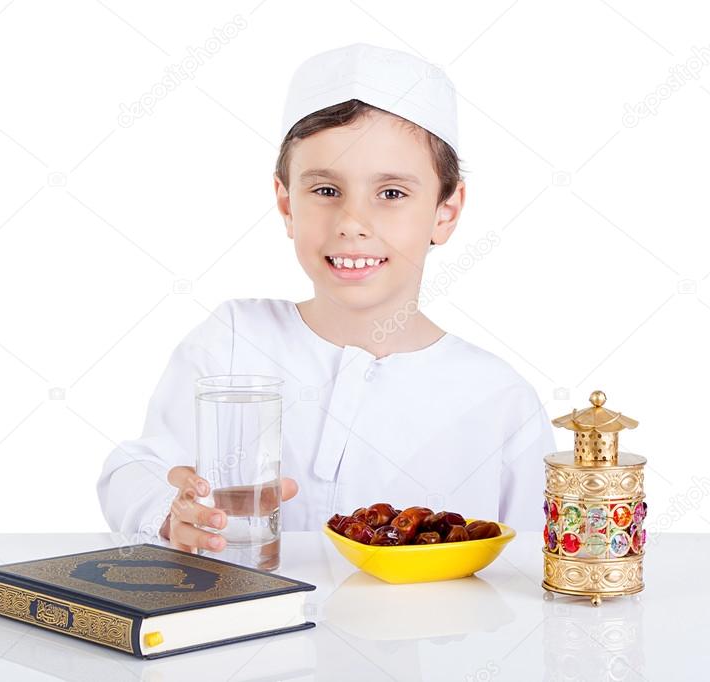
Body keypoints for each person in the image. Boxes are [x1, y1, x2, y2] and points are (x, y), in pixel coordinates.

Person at [96, 42, 556, 554]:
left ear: (445, 212)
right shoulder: (233, 341)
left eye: (391, 194)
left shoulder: (499, 398)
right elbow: (133, 470)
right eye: (326, 191)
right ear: (286, 204)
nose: (352, 224)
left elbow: (535, 561)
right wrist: (170, 510)